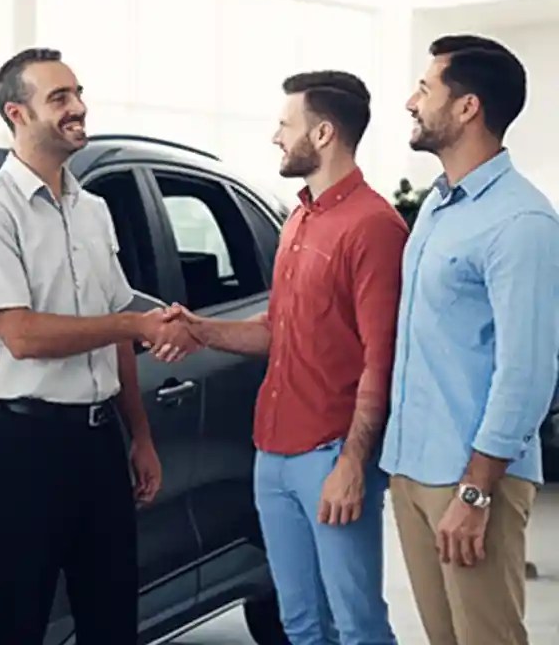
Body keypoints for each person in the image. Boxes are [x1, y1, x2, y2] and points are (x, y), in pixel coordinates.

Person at [0, 47, 195, 645]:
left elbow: (115, 327)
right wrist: (133, 326)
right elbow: (22, 336)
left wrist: (140, 437)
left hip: (99, 443)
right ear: (17, 113)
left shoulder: (94, 210)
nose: (79, 108)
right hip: (25, 447)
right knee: (19, 618)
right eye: (60, 98)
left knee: (111, 615)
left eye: (78, 93)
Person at [152, 71, 407, 644]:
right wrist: (200, 331)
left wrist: (352, 466)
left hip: (332, 453)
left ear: (321, 133)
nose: (275, 136)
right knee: (299, 623)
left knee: (357, 623)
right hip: (273, 452)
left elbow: (381, 359)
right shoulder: (299, 218)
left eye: (284, 125)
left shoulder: (373, 226)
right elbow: (279, 330)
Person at [380, 34, 559, 645]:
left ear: (467, 108)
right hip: (413, 469)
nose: (411, 101)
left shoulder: (522, 221)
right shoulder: (438, 207)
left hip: (472, 476)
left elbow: (528, 372)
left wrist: (477, 491)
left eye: (425, 89)